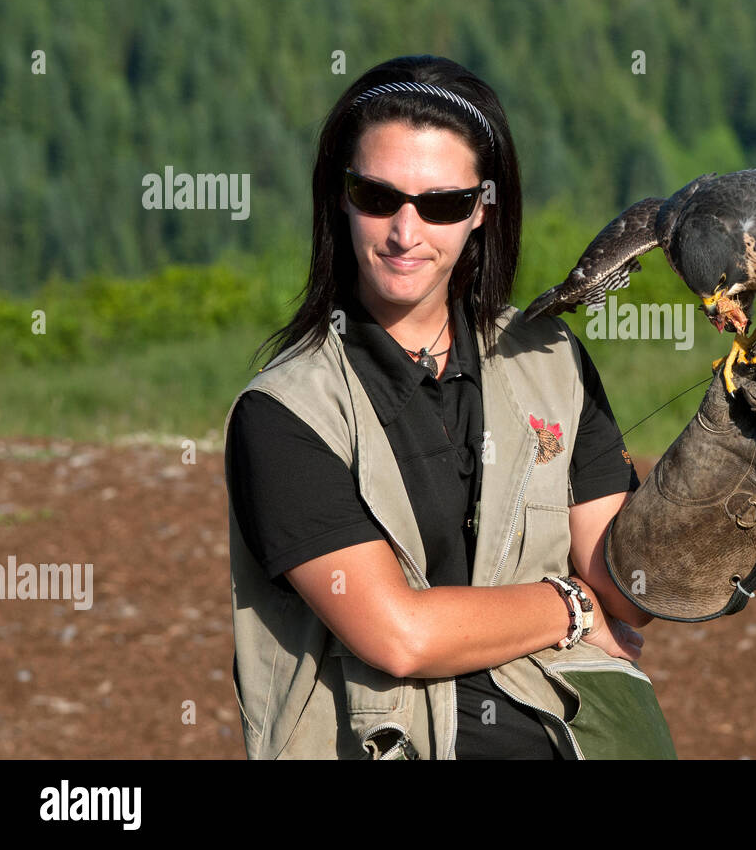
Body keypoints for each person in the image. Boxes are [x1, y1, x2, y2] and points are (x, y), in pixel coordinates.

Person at [224, 55, 676, 759]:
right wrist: (571, 607)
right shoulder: (285, 414)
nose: (406, 232)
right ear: (339, 196)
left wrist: (735, 444)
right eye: (377, 197)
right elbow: (399, 636)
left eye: (441, 204)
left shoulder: (549, 359)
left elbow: (630, 588)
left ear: (481, 211)